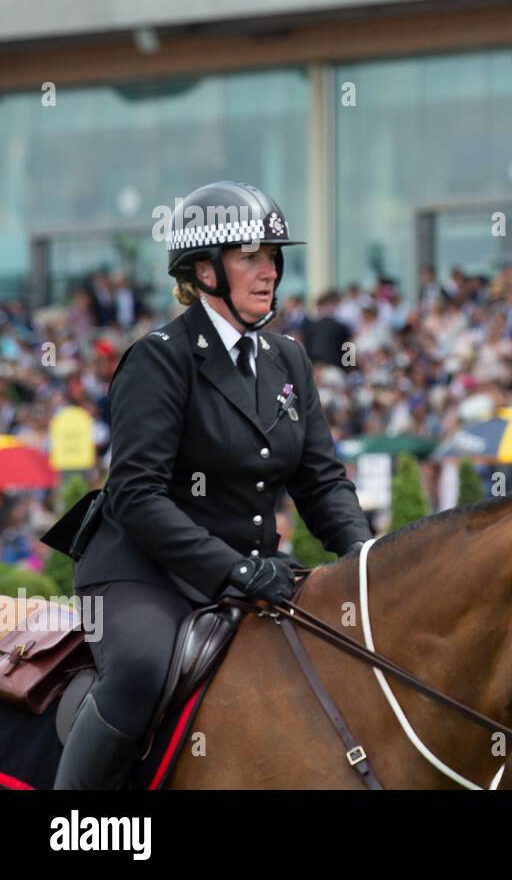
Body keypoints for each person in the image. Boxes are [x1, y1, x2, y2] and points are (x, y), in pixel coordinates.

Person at [50, 181, 373, 789]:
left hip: (251, 568)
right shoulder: (160, 357)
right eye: (250, 256)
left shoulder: (288, 360)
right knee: (143, 669)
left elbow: (322, 481)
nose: (269, 270)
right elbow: (136, 496)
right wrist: (236, 571)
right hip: (142, 570)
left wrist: (366, 558)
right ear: (204, 270)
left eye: (274, 256)